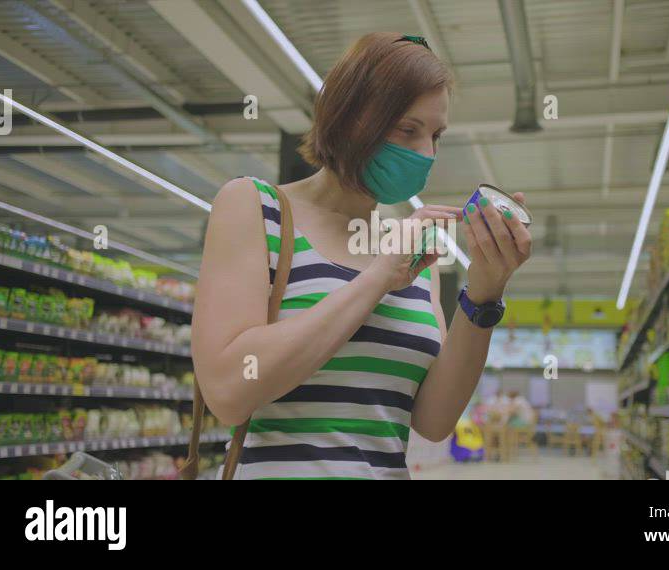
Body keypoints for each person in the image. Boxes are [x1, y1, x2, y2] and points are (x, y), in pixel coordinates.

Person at [191, 32, 532, 479]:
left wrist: (484, 295)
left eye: (436, 135)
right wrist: (376, 278)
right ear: (350, 117)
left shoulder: (415, 255)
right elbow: (229, 390)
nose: (426, 153)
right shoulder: (255, 207)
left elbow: (432, 422)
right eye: (408, 130)